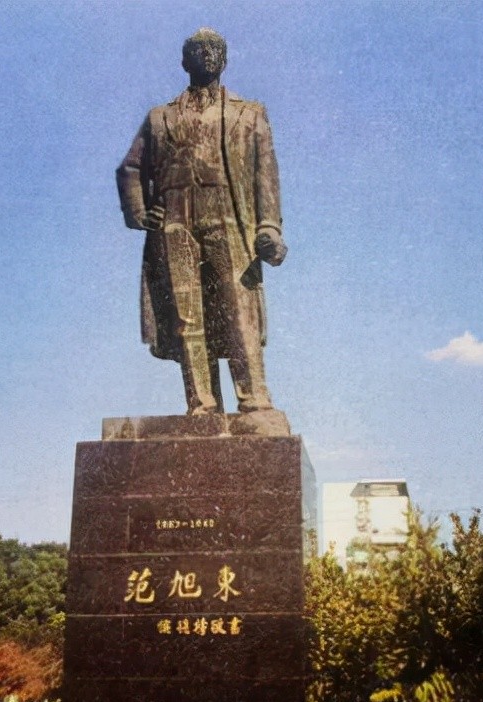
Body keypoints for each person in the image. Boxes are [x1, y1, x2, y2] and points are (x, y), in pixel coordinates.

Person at [117, 28, 288, 415]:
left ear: (224, 61)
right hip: (175, 221)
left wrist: (269, 227)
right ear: (185, 61)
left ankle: (254, 399)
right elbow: (129, 168)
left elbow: (266, 173)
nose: (206, 55)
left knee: (238, 310)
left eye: (214, 50)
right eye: (198, 50)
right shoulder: (160, 117)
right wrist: (140, 212)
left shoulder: (250, 113)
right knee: (187, 315)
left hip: (229, 217)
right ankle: (202, 403)